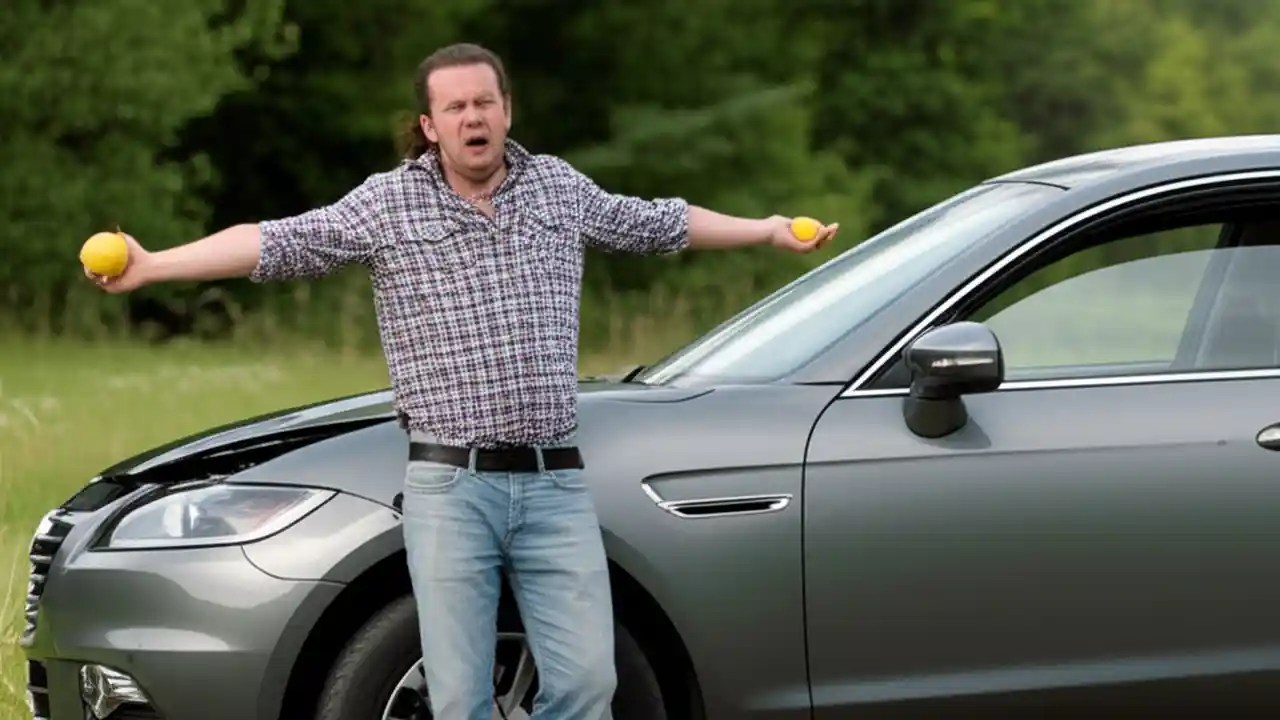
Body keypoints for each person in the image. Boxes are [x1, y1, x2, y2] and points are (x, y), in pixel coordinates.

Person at [86, 42, 838, 720]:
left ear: (506, 111)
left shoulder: (556, 188)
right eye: (456, 107)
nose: (473, 117)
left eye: (485, 102)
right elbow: (272, 243)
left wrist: (767, 229)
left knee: (587, 687)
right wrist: (154, 264)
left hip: (555, 485)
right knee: (458, 698)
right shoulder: (387, 204)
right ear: (430, 124)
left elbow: (657, 223)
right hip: (451, 488)